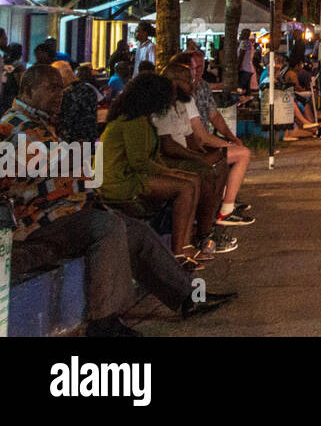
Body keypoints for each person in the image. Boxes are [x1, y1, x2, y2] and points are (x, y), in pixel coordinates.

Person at [2, 65, 234, 335]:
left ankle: (187, 297)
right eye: (51, 88)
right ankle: (104, 321)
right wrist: (85, 183)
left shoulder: (40, 123)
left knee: (135, 230)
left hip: (59, 213)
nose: (60, 94)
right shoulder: (18, 127)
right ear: (29, 90)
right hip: (37, 222)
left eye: (61, 88)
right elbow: (59, 174)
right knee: (107, 227)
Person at [98, 73, 204, 264]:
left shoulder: (144, 119)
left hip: (133, 175)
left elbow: (151, 157)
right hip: (120, 181)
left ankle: (186, 244)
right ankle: (178, 251)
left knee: (193, 180)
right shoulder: (133, 121)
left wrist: (172, 173)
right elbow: (139, 162)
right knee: (185, 187)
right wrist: (171, 173)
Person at [152, 60, 235, 256]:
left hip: (183, 155)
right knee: (202, 175)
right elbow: (168, 145)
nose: (193, 84)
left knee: (219, 164)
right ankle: (192, 239)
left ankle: (206, 229)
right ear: (174, 82)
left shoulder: (182, 103)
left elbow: (190, 137)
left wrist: (203, 154)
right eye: (187, 81)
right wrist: (198, 160)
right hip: (169, 158)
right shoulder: (162, 107)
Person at [178, 52, 254, 227]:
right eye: (194, 68)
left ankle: (224, 202)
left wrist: (230, 137)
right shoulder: (184, 95)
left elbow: (214, 116)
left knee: (234, 152)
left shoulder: (202, 87)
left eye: (200, 67)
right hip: (194, 145)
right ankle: (225, 210)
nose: (197, 72)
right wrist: (226, 143)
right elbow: (200, 135)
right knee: (241, 154)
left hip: (200, 141)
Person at [57, 61, 100, 146]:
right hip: (89, 140)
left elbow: (66, 121)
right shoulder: (89, 89)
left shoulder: (67, 93)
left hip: (72, 144)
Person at [236, 28, 255, 92]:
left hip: (244, 69)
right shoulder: (250, 44)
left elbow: (241, 56)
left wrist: (237, 67)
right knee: (247, 90)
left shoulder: (243, 43)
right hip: (249, 68)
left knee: (240, 89)